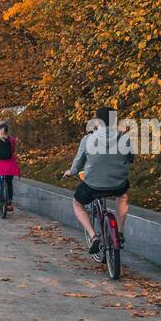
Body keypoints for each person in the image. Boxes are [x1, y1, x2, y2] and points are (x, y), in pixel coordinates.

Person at [63, 107, 134, 254]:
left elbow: (77, 165)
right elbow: (131, 158)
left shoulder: (88, 139)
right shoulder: (124, 138)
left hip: (93, 185)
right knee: (123, 196)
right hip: (117, 184)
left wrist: (70, 172)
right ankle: (119, 232)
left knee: (77, 202)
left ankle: (93, 236)